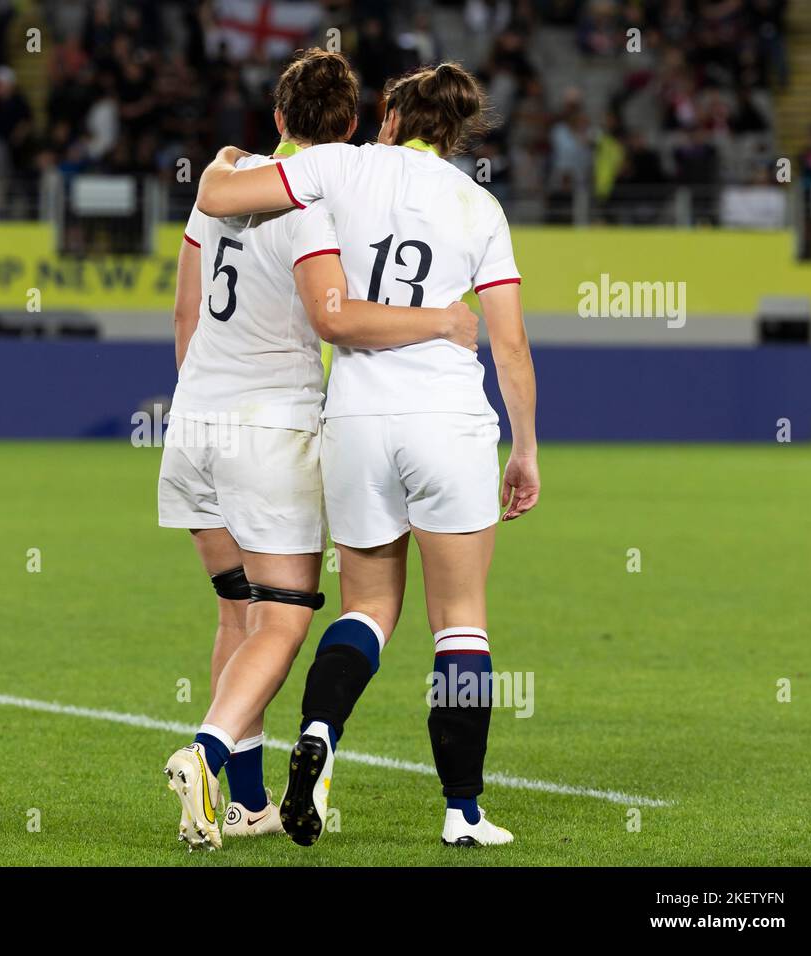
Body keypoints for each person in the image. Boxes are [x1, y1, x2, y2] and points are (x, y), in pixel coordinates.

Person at [196, 61, 540, 848]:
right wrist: (524, 447)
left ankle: (318, 733)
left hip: (354, 417)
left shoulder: (337, 165)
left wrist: (221, 159)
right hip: (448, 418)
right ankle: (462, 811)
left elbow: (221, 199)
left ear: (388, 116)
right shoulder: (480, 205)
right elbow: (510, 343)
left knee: (365, 610)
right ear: (455, 134)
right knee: (460, 621)